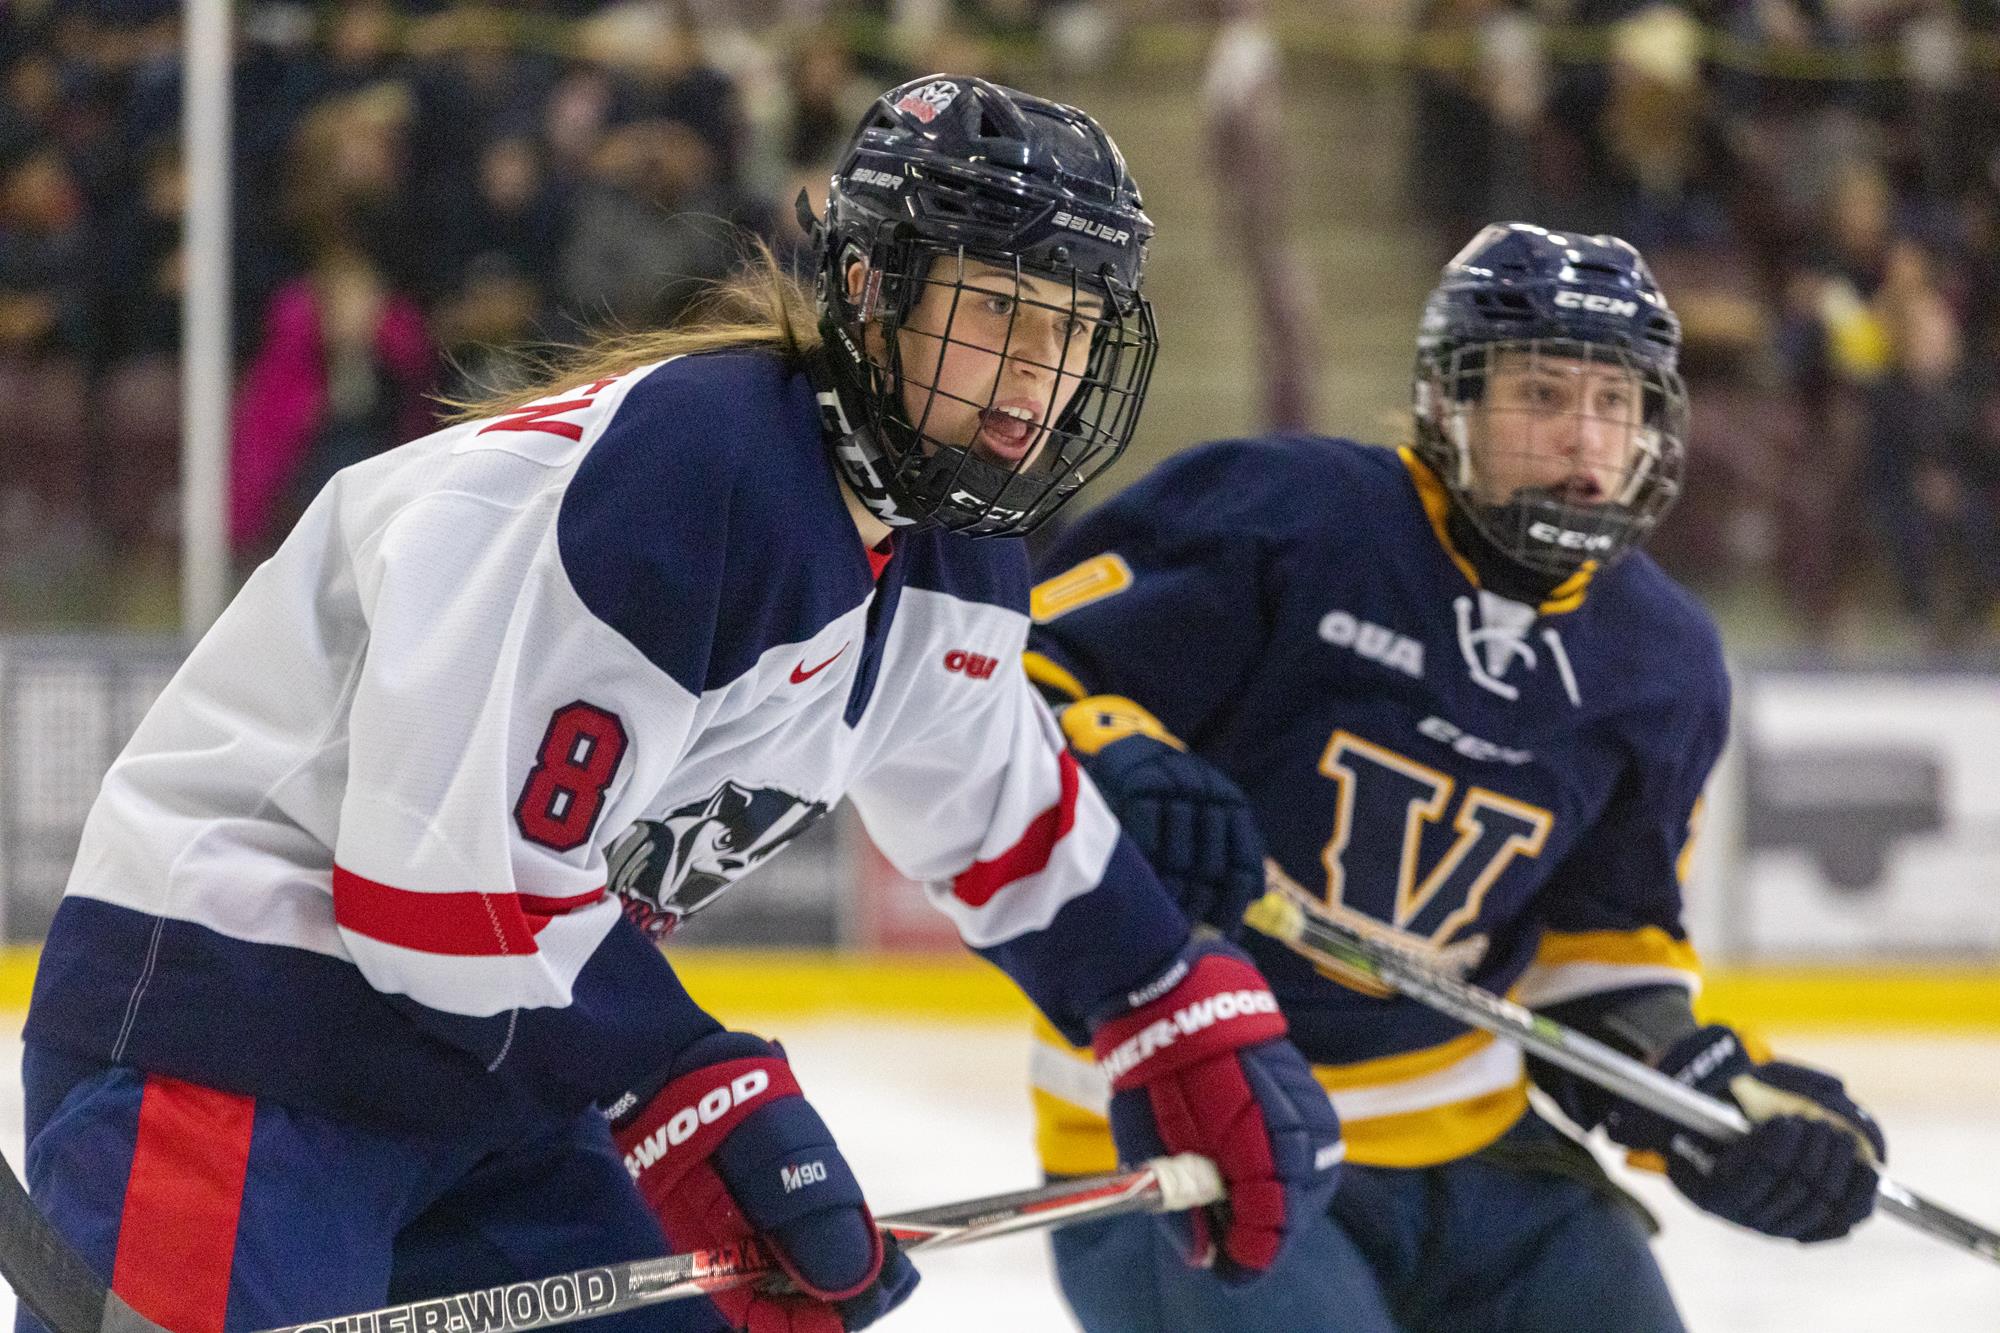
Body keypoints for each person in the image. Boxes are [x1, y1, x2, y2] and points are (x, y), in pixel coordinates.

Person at [18, 77, 1342, 1333]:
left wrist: (1160, 997)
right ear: (872, 288)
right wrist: (686, 1081)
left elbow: (1003, 810)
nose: (1037, 372)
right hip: (237, 1038)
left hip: (496, 1084)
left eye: (1071, 325)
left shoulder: (953, 555)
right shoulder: (680, 475)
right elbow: (442, 887)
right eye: (998, 309)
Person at [1022, 222, 1887, 1332]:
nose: (1583, 438)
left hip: (1475, 1146)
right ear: (1447, 403)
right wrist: (1114, 754)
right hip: (1196, 1114)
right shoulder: (1282, 517)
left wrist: (1698, 1090)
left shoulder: (1659, 660)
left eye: (1615, 403)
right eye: (1541, 393)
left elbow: (1597, 940)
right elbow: (1012, 678)